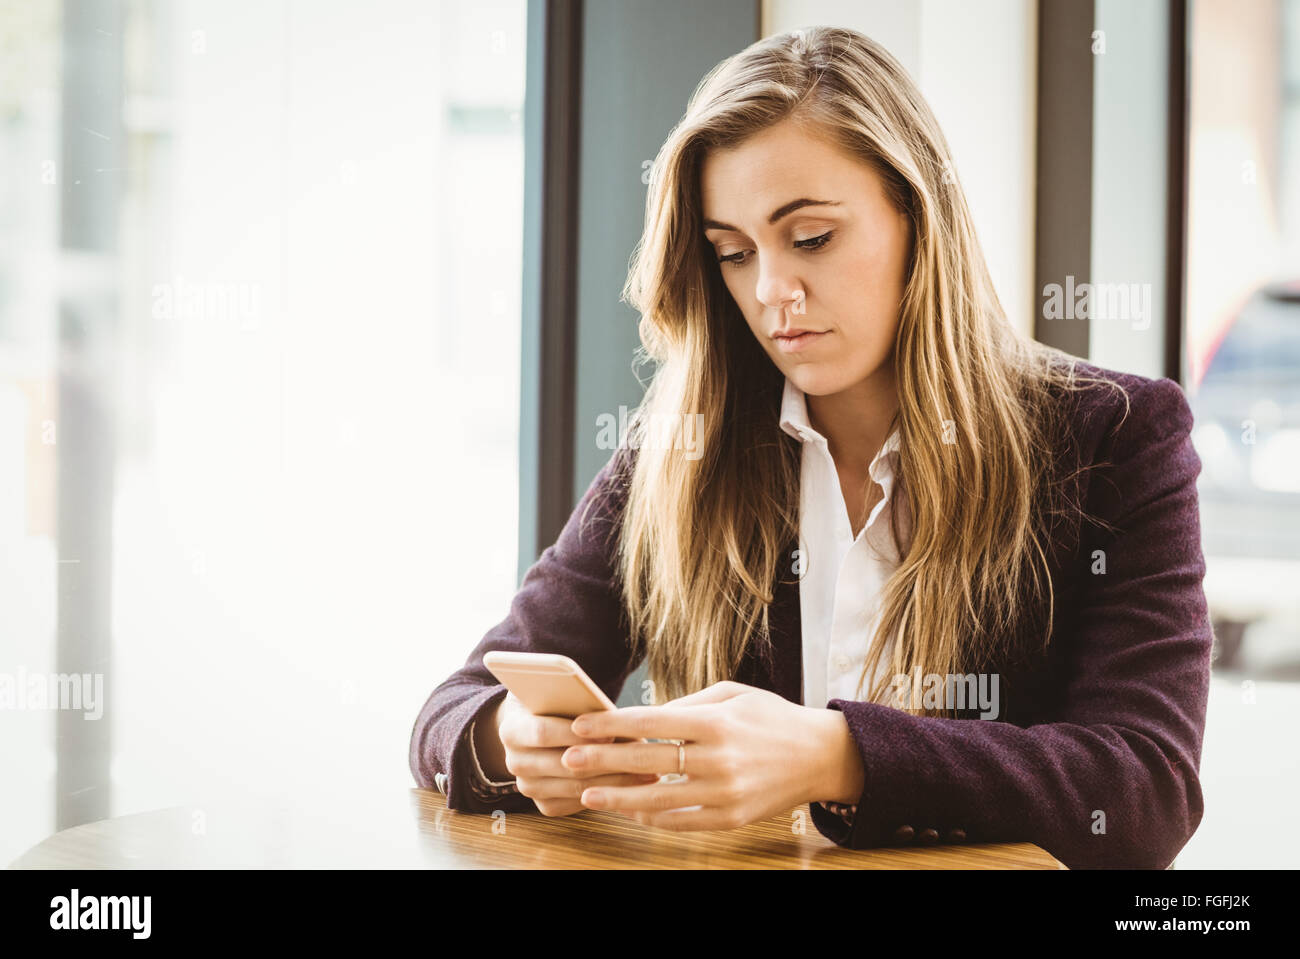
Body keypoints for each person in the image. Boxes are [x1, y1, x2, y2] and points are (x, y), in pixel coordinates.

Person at [408, 25, 1211, 870]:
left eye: (812, 237)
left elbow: (1145, 788)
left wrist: (834, 755)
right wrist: (508, 737)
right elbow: (452, 709)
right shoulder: (679, 449)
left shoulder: (1118, 436)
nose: (770, 293)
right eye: (732, 251)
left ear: (916, 213)